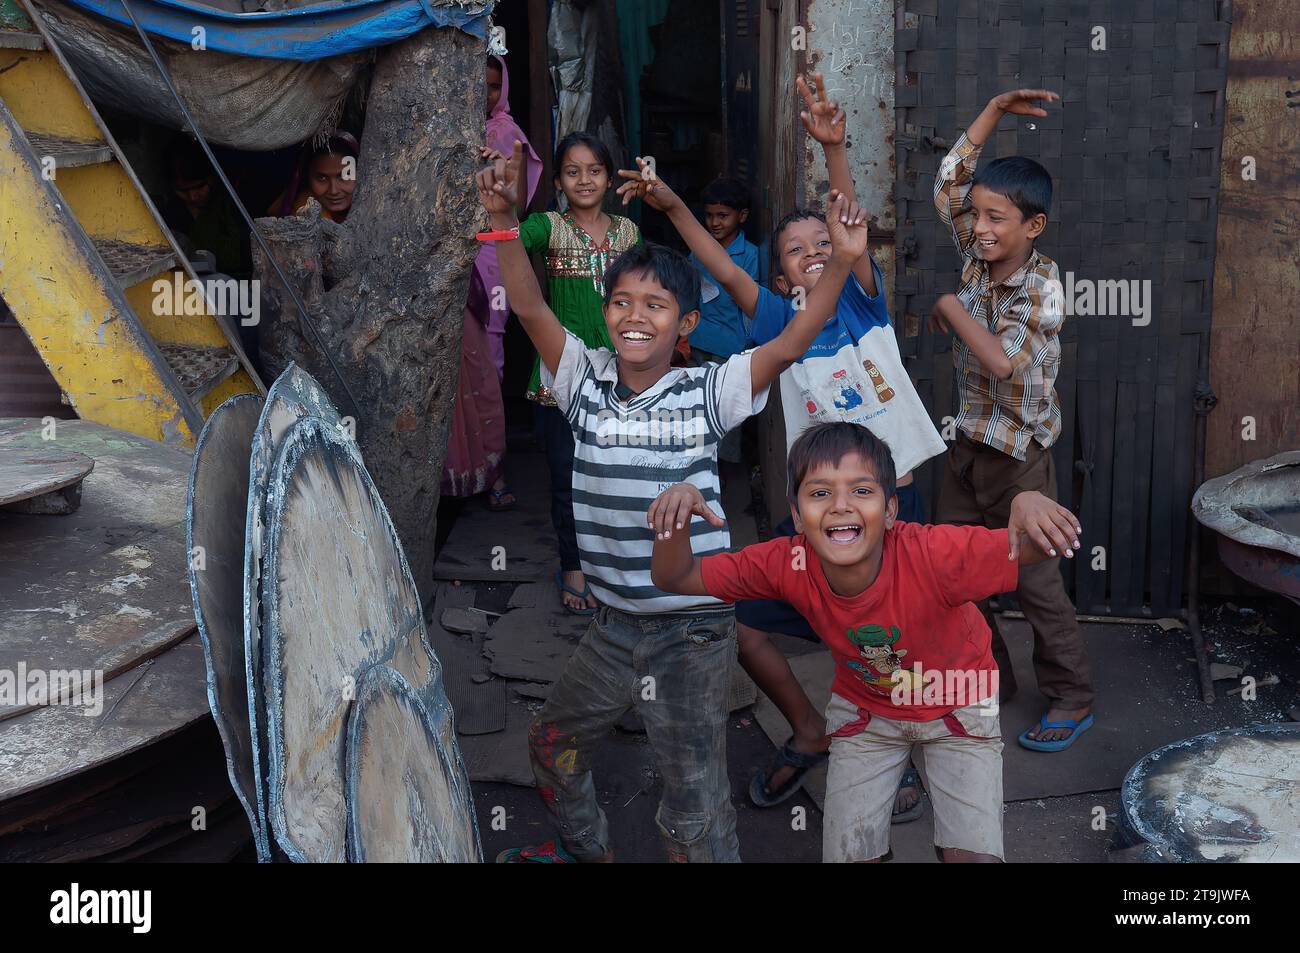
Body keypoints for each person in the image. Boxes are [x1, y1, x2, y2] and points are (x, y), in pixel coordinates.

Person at [479, 140, 873, 861]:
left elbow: (789, 342)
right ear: (603, 315)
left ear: (685, 327)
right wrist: (504, 222)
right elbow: (530, 304)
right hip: (611, 625)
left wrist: (843, 262)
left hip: (690, 631)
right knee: (552, 745)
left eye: (656, 305)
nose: (636, 316)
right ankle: (582, 848)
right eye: (622, 302)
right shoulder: (582, 380)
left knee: (689, 800)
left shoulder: (709, 391)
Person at [623, 73, 947, 818]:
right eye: (794, 249)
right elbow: (723, 264)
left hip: (895, 502)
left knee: (891, 630)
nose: (810, 253)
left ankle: (895, 748)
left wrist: (834, 148)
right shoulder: (775, 321)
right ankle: (810, 727)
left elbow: (847, 224)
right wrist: (671, 203)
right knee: (741, 621)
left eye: (820, 244)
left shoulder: (861, 298)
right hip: (820, 515)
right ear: (779, 275)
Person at [650, 421, 1084, 862]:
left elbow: (1034, 547)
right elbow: (675, 576)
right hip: (868, 709)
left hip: (962, 703)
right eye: (820, 493)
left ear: (892, 511)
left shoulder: (933, 553)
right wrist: (675, 517)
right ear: (797, 518)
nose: (840, 506)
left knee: (972, 857)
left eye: (861, 491)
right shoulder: (788, 561)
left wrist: (1028, 501)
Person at [931, 88, 1094, 752]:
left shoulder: (1044, 290)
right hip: (967, 449)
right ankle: (988, 673)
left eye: (998, 218)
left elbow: (1001, 362)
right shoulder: (980, 250)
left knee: (1035, 585)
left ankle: (1073, 694)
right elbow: (949, 183)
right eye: (980, 218)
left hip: (1020, 465)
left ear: (1035, 226)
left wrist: (947, 304)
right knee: (950, 573)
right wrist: (993, 112)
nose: (983, 228)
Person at [518, 131, 641, 614]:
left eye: (594, 170)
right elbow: (503, 239)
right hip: (560, 376)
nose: (584, 179)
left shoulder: (629, 233)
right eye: (573, 171)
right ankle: (573, 567)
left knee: (620, 474)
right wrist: (505, 208)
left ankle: (619, 566)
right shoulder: (546, 226)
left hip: (621, 371)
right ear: (558, 181)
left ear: (610, 179)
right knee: (567, 479)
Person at [442, 54, 543, 511]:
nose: (481, 95)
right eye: (473, 84)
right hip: (441, 255)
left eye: (489, 86)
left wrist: (504, 172)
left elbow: (518, 207)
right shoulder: (439, 129)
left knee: (488, 358)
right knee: (445, 360)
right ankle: (453, 471)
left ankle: (493, 468)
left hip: (489, 252)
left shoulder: (506, 134)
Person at [686, 176, 761, 465]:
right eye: (709, 215)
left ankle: (726, 477)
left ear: (741, 216)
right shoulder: (698, 252)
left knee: (726, 414)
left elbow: (755, 304)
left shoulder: (751, 256)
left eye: (722, 216)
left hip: (732, 349)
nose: (714, 222)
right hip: (698, 342)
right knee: (696, 412)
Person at [160, 139, 250, 280]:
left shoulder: (232, 207)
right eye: (182, 191)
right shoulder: (170, 214)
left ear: (212, 178)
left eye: (199, 187)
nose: (192, 197)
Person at [267, 131, 359, 223]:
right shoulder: (303, 212)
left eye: (345, 176)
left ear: (361, 174)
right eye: (322, 178)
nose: (333, 191)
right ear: (307, 178)